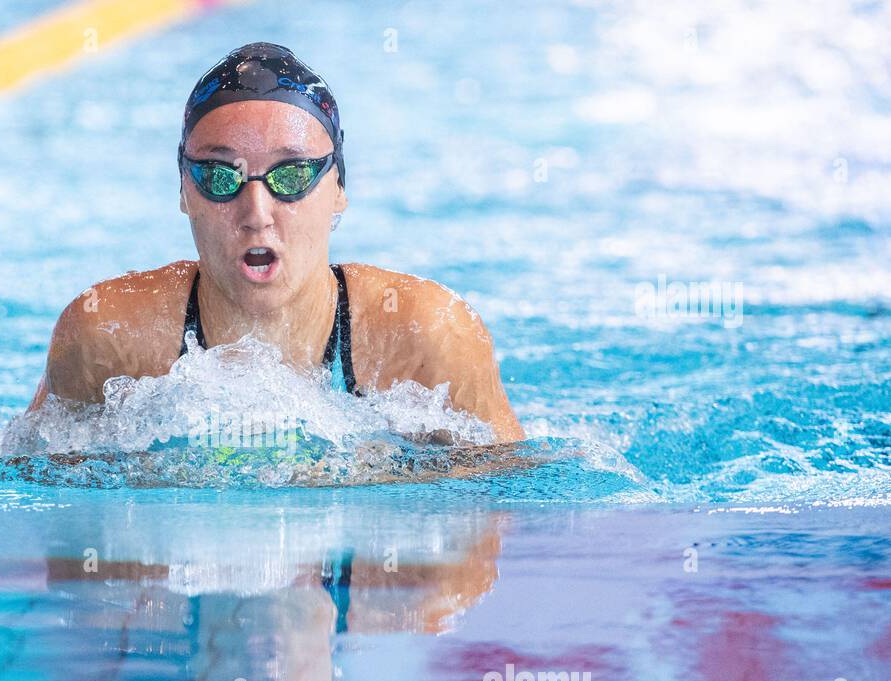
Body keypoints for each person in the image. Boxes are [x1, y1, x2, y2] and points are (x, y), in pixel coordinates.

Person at [27, 41, 524, 444]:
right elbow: (40, 496)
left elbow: (498, 513)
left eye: (293, 175)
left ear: (339, 189)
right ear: (183, 190)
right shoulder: (109, 336)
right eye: (221, 177)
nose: (257, 214)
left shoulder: (426, 340)